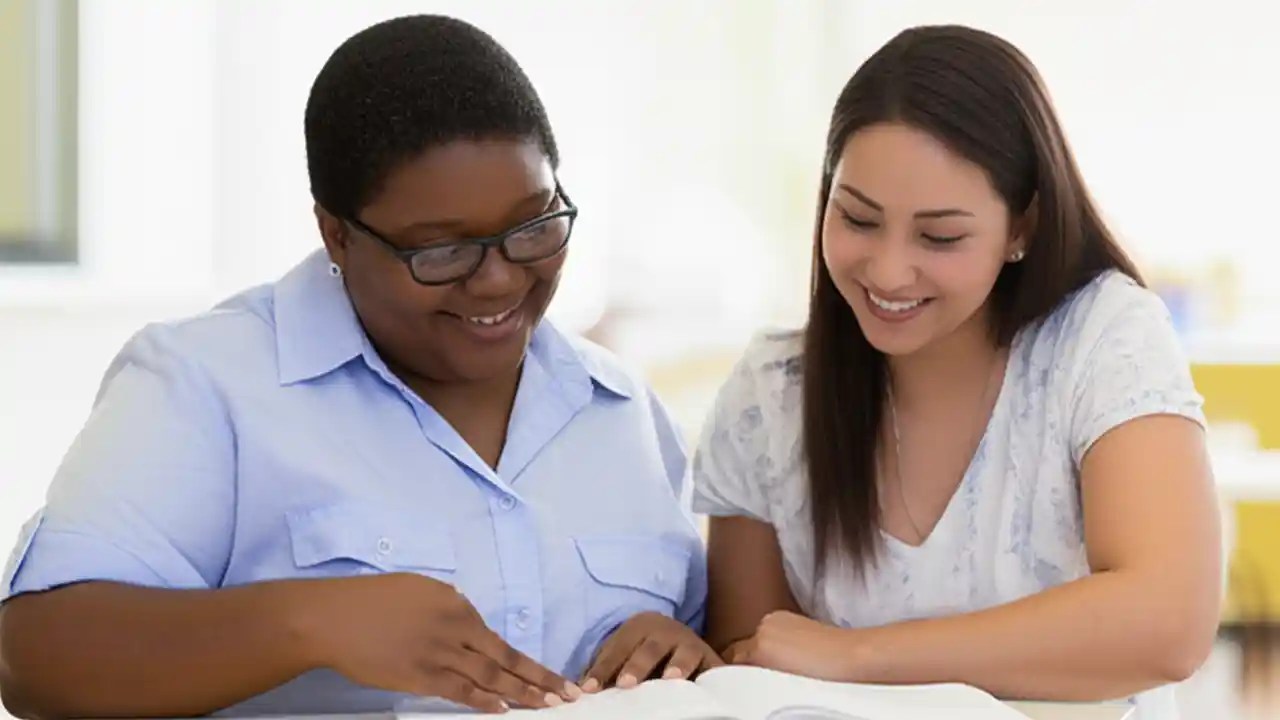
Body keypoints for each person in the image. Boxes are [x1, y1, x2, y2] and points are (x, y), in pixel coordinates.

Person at [0, 15, 716, 718]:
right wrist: (308, 621)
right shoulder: (205, 385)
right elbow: (33, 659)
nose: (499, 281)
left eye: (533, 227)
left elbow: (701, 660)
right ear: (336, 233)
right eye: (440, 251)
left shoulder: (623, 413)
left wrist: (675, 654)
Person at [693, 25, 1220, 720]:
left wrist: (858, 655)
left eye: (939, 237)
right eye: (856, 218)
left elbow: (1168, 625)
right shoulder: (770, 393)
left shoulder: (1101, 338)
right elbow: (752, 666)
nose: (886, 270)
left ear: (1022, 227)